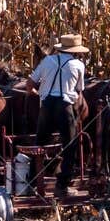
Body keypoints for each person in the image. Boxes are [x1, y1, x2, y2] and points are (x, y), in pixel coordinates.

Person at [30, 33, 88, 196]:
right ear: (76, 51)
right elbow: (79, 91)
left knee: (39, 144)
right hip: (64, 107)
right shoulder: (78, 65)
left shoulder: (47, 60)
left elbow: (30, 84)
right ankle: (62, 185)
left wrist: (38, 94)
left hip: (46, 105)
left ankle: (32, 182)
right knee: (70, 145)